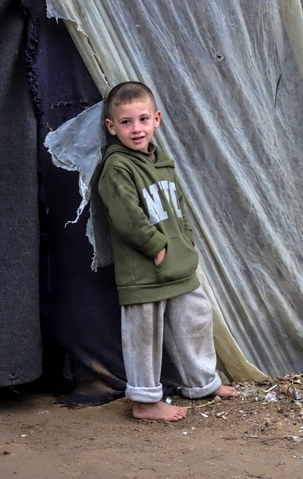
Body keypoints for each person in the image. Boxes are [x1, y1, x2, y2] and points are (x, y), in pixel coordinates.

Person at [97, 81, 239, 421]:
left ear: (157, 119)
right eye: (126, 122)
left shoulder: (163, 163)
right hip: (143, 269)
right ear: (111, 126)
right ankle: (145, 401)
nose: (136, 129)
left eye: (143, 119)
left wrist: (184, 239)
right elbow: (126, 217)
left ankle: (202, 383)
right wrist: (157, 247)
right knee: (143, 334)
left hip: (179, 263)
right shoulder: (118, 167)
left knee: (195, 319)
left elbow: (179, 208)